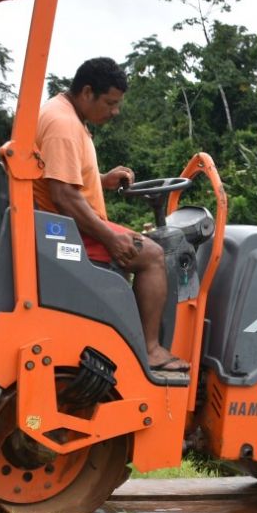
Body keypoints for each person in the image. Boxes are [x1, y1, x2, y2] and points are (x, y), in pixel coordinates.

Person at [33, 57, 185, 373]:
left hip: (59, 224)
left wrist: (101, 181)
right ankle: (151, 349)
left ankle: (117, 338)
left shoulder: (61, 112)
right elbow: (63, 196)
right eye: (110, 103)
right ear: (87, 92)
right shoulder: (63, 125)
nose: (114, 112)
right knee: (154, 256)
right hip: (64, 233)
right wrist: (110, 237)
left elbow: (60, 180)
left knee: (134, 250)